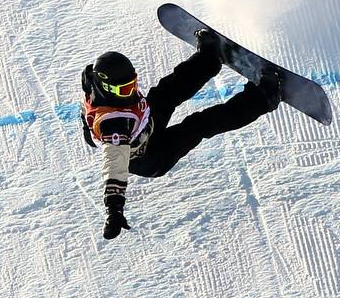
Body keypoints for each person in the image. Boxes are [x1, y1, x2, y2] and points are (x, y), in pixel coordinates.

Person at [80, 30, 281, 240]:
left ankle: (208, 60)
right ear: (106, 88)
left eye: (132, 85)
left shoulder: (90, 78)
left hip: (144, 123)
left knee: (166, 92)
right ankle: (262, 99)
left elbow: (86, 110)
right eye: (123, 90)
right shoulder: (114, 126)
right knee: (199, 124)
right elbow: (114, 165)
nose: (130, 92)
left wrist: (87, 129)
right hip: (151, 157)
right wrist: (114, 209)